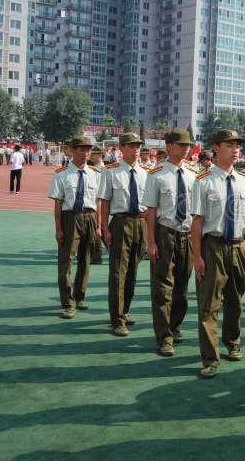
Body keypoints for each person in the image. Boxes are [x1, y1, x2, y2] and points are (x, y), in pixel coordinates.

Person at [191, 129, 245, 379]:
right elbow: (197, 222)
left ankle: (233, 341)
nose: (236, 149)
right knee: (209, 304)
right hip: (213, 246)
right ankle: (210, 357)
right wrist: (197, 256)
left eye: (237, 145)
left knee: (235, 300)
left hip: (239, 246)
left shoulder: (244, 181)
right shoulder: (203, 181)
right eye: (230, 145)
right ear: (216, 148)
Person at [143, 128, 197, 357]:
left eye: (188, 146)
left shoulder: (194, 175)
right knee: (163, 289)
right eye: (181, 145)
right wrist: (151, 242)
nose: (186, 149)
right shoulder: (156, 175)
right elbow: (151, 211)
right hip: (165, 235)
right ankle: (164, 336)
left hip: (187, 236)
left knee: (182, 288)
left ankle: (175, 327)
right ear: (169, 146)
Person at [98, 132, 149, 337]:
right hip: (120, 222)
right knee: (118, 273)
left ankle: (125, 310)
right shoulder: (110, 172)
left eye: (138, 145)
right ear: (121, 149)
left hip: (141, 224)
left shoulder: (146, 173)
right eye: (131, 146)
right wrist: (104, 228)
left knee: (132, 273)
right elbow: (104, 202)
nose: (136, 149)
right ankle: (117, 319)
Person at [47, 136, 102, 319]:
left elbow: (98, 202)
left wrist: (99, 226)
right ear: (72, 150)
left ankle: (79, 296)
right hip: (70, 218)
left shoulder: (95, 173)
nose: (86, 153)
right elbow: (58, 203)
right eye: (81, 149)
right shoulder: (61, 173)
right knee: (66, 260)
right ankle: (67, 301)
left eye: (88, 150)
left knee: (85, 260)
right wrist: (58, 228)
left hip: (90, 217)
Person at [88, 146, 107, 265]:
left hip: (101, 203)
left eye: (93, 154)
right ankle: (96, 255)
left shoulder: (104, 170)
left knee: (101, 228)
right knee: (99, 229)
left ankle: (98, 255)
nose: (91, 156)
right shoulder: (93, 169)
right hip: (97, 202)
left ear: (100, 155)